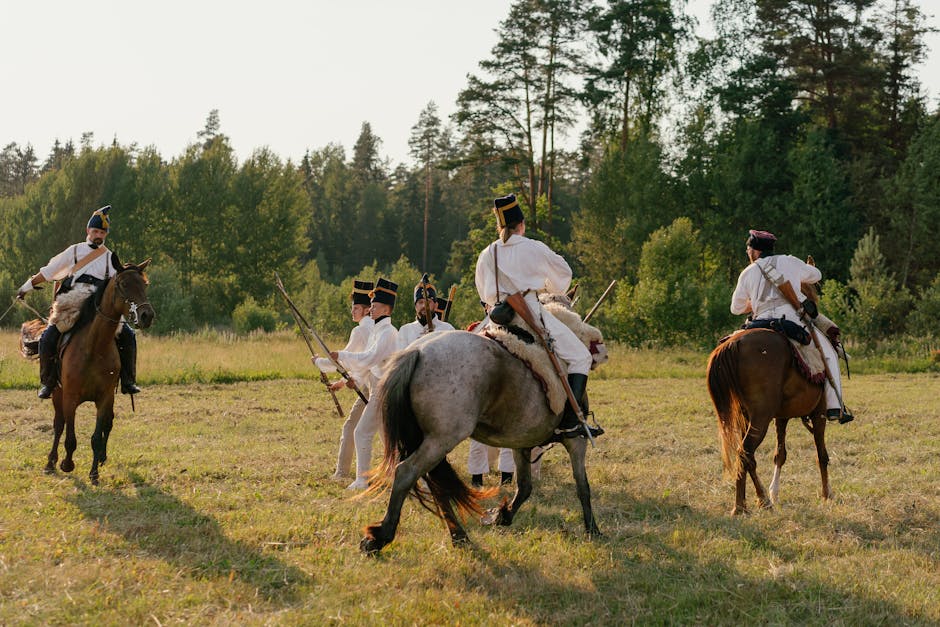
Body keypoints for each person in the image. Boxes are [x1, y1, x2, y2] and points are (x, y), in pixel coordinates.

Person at [474, 193, 602, 440]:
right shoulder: (533, 247)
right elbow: (563, 275)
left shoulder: (487, 254)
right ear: (520, 224)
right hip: (530, 313)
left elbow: (484, 292)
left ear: (499, 226)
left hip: (496, 318)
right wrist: (549, 289)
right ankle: (570, 422)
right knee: (580, 358)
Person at [16, 205, 141, 398]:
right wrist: (26, 287)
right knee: (48, 337)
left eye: (102, 232)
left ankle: (127, 380)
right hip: (73, 302)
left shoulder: (109, 257)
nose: (98, 235)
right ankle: (48, 382)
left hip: (100, 305)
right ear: (88, 231)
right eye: (95, 231)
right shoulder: (74, 251)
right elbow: (50, 271)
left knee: (129, 336)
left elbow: (119, 285)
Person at [731, 229, 853, 423]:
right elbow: (816, 275)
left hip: (758, 321)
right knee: (829, 352)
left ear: (754, 251)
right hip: (791, 320)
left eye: (748, 249)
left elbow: (736, 308)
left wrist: (756, 302)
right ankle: (834, 406)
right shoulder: (790, 261)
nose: (748, 253)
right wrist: (802, 270)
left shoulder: (748, 272)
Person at [330, 277, 400, 490]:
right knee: (389, 437)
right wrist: (354, 379)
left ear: (387, 310)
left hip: (385, 388)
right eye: (371, 305)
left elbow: (370, 358)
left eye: (376, 306)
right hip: (378, 385)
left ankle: (363, 479)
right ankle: (402, 474)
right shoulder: (378, 331)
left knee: (362, 432)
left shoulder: (388, 332)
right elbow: (367, 366)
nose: (372, 309)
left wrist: (340, 355)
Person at [315, 279, 374, 480]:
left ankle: (342, 473)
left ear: (367, 310)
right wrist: (341, 383)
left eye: (356, 307)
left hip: (371, 389)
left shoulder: (361, 330)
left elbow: (344, 361)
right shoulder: (375, 327)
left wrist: (319, 363)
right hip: (370, 384)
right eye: (352, 307)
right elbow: (362, 364)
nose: (352, 311)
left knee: (352, 428)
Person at [396, 274, 455, 349]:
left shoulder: (447, 330)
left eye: (428, 302)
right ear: (415, 306)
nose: (424, 306)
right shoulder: (405, 331)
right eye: (420, 302)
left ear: (436, 305)